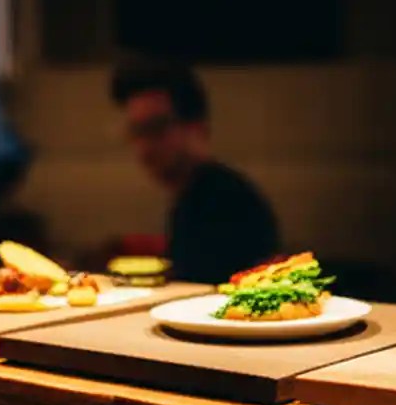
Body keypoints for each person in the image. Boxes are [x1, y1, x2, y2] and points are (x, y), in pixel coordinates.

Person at [111, 57, 279, 283]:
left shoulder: (222, 201)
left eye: (156, 128)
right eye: (136, 132)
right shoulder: (196, 195)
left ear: (197, 127)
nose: (144, 147)